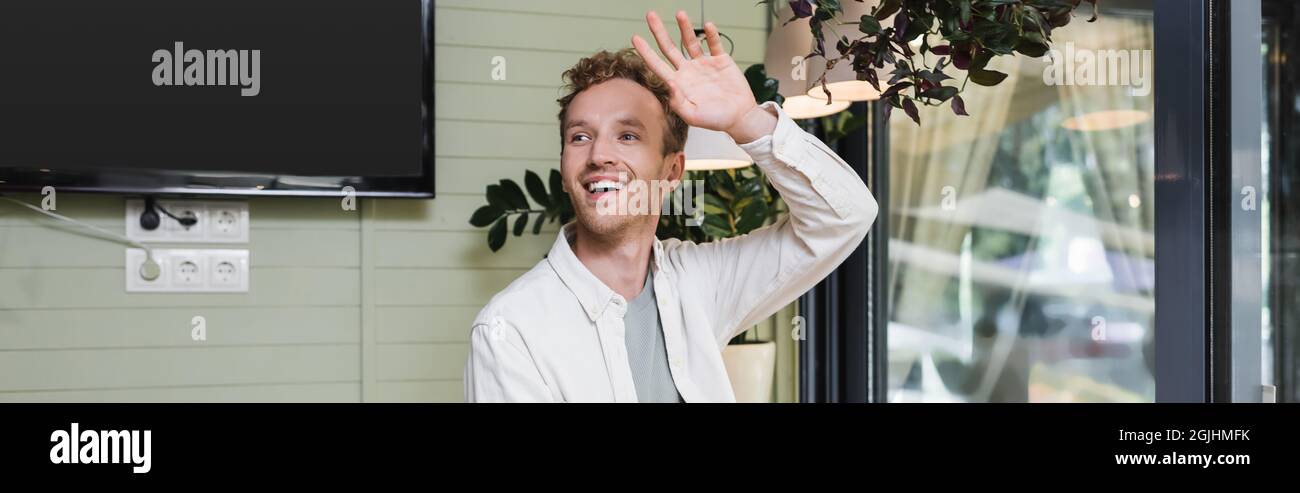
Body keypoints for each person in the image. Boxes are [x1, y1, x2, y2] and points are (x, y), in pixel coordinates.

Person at [464, 10, 878, 402]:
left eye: (627, 136)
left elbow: (845, 217)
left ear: (672, 171)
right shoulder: (511, 328)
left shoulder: (700, 283)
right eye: (580, 137)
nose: (599, 156)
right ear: (563, 164)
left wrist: (747, 120)